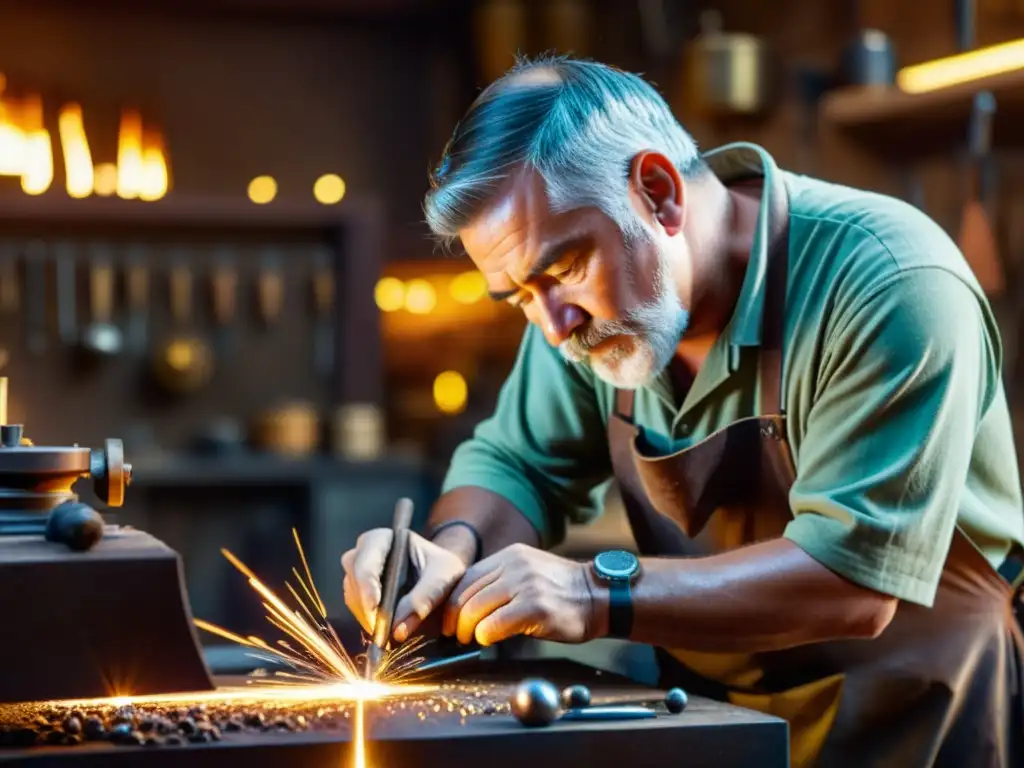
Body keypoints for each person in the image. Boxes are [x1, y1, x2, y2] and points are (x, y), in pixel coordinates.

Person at [342, 55, 1024, 767]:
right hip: (713, 722)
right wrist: (447, 554)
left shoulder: (890, 281)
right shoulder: (583, 316)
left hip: (917, 717)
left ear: (659, 193)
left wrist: (592, 590)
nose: (551, 325)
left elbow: (851, 579)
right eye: (516, 294)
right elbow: (517, 463)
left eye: (563, 268)